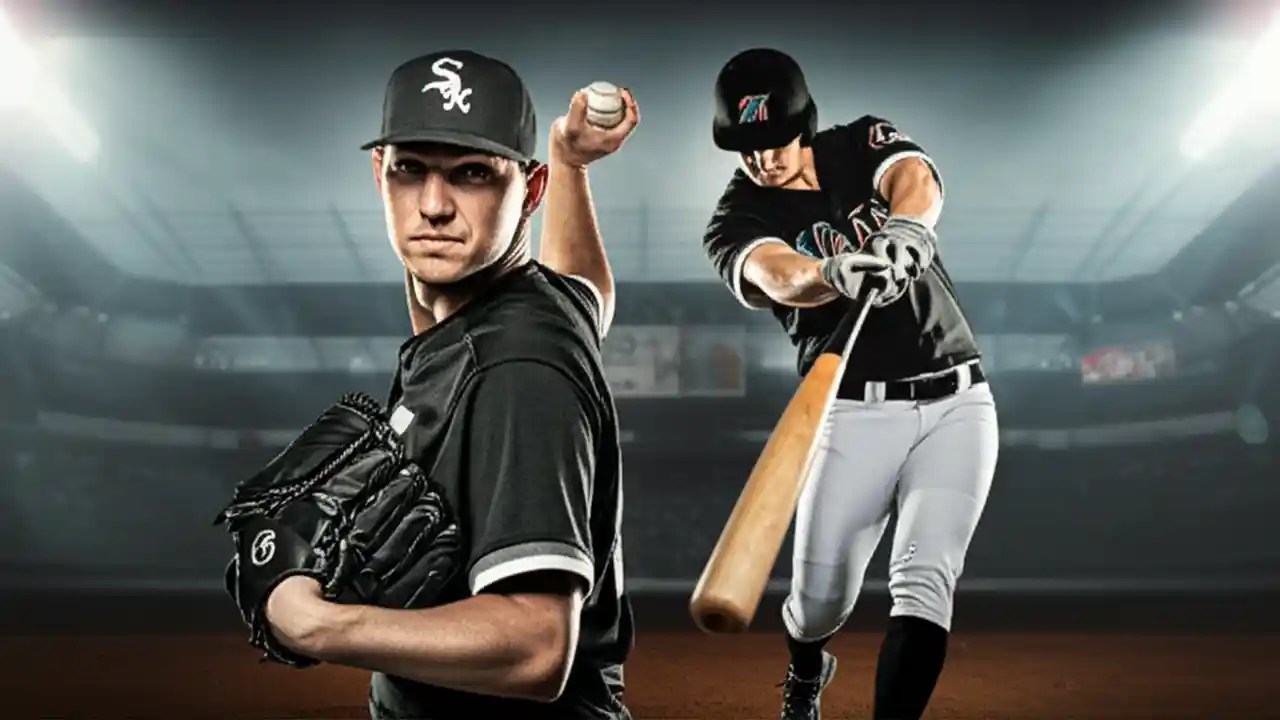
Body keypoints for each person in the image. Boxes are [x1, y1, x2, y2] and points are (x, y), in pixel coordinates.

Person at [257, 50, 639, 719]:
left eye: (472, 175)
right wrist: (572, 161)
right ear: (380, 175)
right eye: (410, 170)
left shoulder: (516, 373)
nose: (433, 206)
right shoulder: (538, 304)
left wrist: (318, 625)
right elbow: (588, 291)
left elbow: (537, 646)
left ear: (530, 190)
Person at [702, 48, 1000, 720]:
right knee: (818, 603)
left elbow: (915, 178)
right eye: (746, 146)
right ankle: (807, 667)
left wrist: (905, 229)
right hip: (851, 414)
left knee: (925, 582)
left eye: (774, 139)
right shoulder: (734, 219)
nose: (763, 159)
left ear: (802, 122)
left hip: (959, 401)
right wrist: (832, 272)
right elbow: (776, 274)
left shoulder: (859, 140)